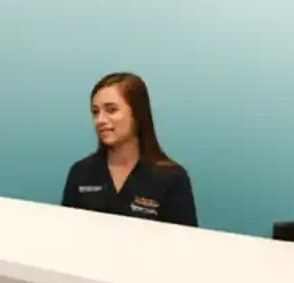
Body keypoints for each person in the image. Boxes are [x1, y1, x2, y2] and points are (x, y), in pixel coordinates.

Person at [61, 72, 197, 226]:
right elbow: (67, 236)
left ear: (137, 113)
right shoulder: (81, 172)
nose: (100, 120)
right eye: (95, 112)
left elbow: (186, 244)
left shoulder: (171, 178)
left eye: (111, 110)